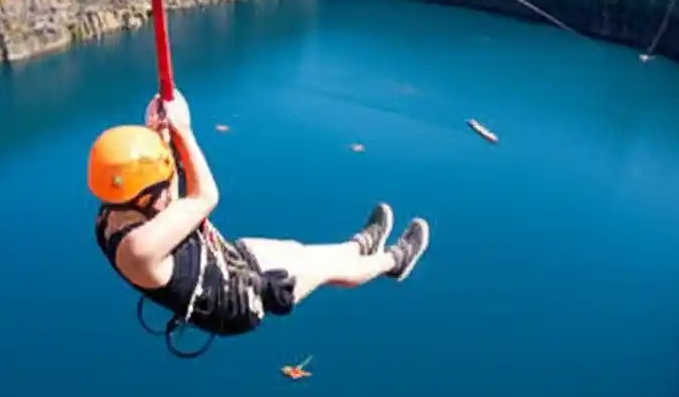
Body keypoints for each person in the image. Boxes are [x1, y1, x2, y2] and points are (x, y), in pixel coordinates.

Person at [88, 91, 430, 342]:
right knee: (326, 269)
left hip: (222, 260)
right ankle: (394, 261)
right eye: (161, 184)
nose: (168, 188)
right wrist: (184, 132)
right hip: (235, 301)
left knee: (298, 251)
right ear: (144, 195)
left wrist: (161, 132)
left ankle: (358, 246)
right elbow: (204, 197)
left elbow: (171, 199)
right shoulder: (138, 248)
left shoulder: (117, 209)